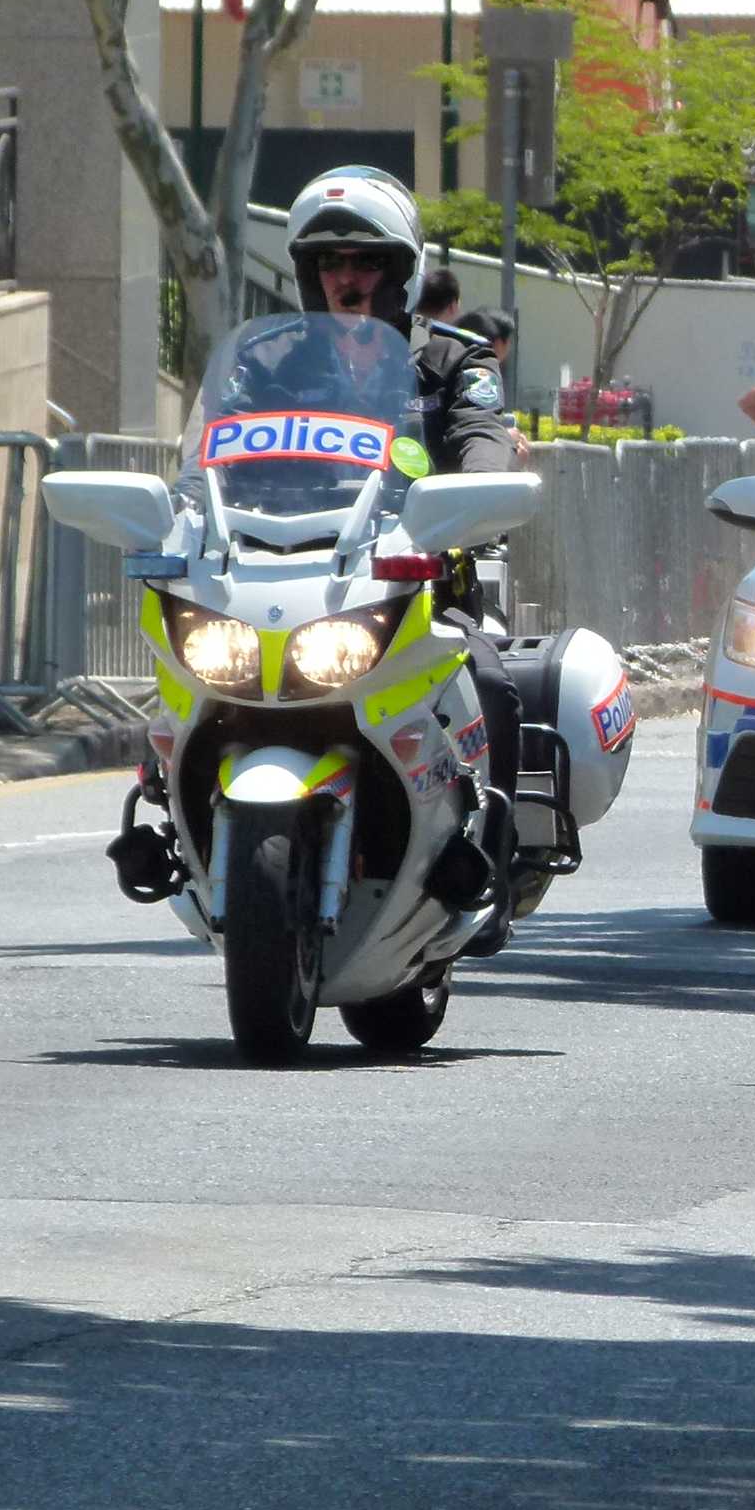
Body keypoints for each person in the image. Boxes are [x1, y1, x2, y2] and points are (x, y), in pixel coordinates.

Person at [282, 165, 527, 947]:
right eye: (329, 262)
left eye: (366, 262)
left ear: (400, 272)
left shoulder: (456, 363)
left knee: (491, 683)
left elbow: (483, 441)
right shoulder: (273, 364)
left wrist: (476, 494)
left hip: (423, 582)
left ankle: (490, 871)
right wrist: (182, 504)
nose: (346, 278)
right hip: (292, 581)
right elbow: (206, 455)